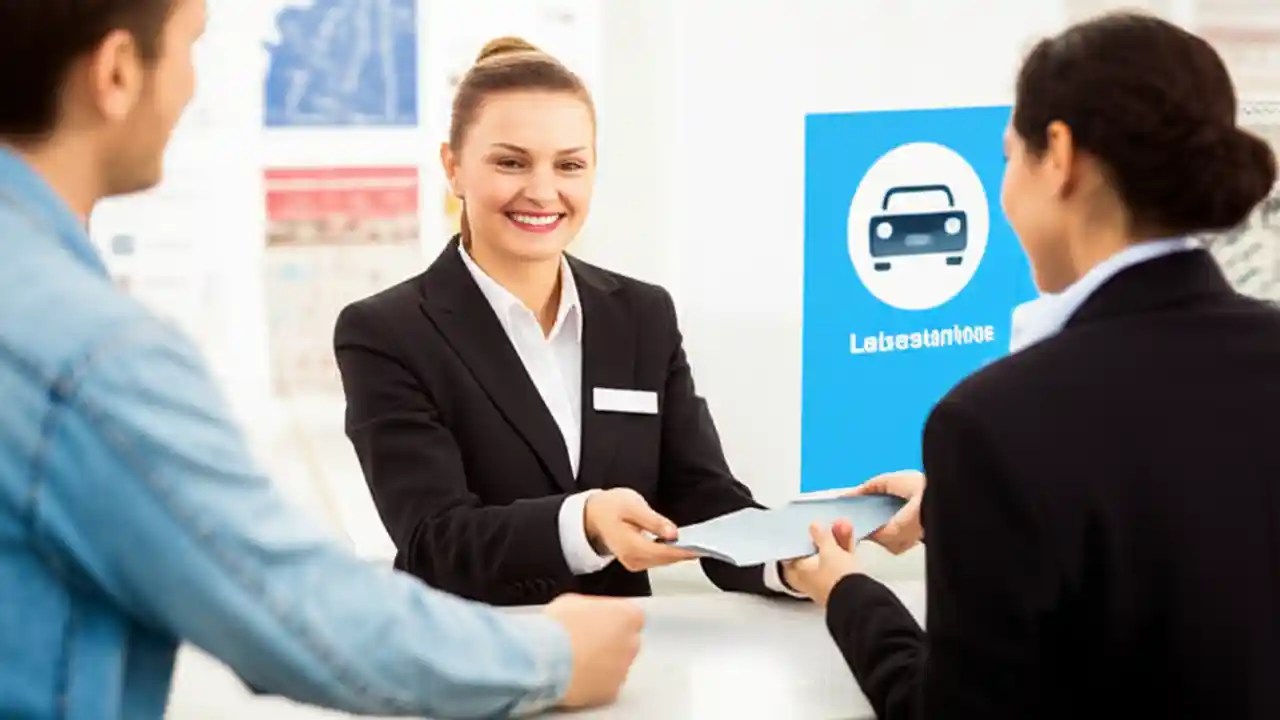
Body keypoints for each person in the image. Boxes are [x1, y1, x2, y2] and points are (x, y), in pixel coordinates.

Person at [0, 2, 645, 718]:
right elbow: (292, 606)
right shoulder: (91, 352)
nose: (190, 89)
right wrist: (553, 658)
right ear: (117, 71)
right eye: (191, 49)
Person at [785, 11, 1280, 720]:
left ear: (1060, 154)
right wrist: (961, 507)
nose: (1005, 192)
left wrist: (848, 594)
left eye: (1008, 156)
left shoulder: (994, 423)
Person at [335, 36, 832, 606]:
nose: (543, 191)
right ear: (453, 168)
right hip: (476, 666)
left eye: (569, 165)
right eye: (510, 162)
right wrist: (585, 522)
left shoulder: (641, 316)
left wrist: (801, 554)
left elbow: (702, 498)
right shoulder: (387, 333)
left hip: (628, 667)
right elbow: (434, 542)